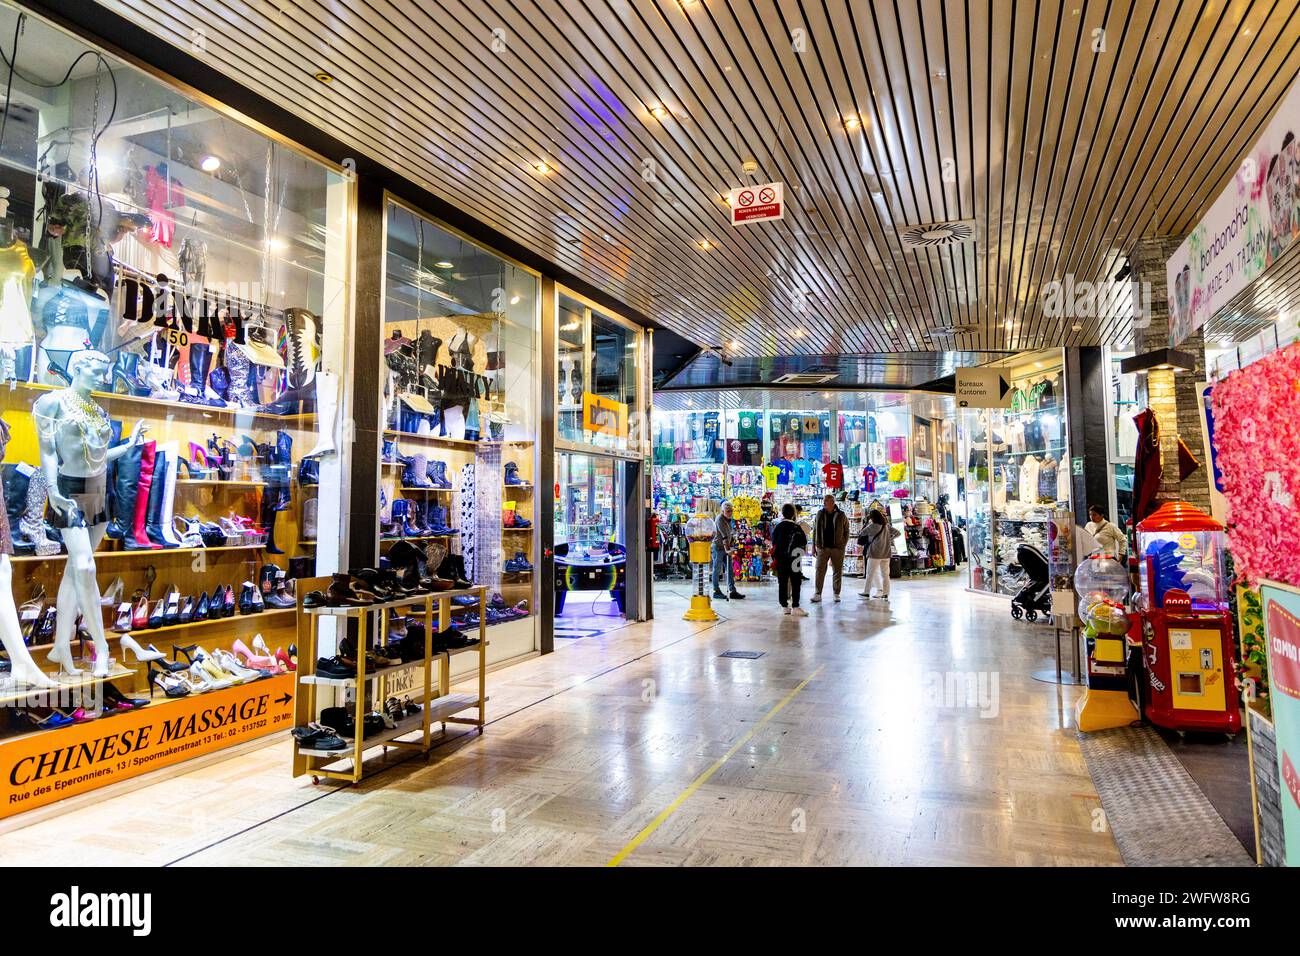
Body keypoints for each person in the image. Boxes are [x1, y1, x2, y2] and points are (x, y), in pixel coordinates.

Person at [810, 493, 849, 603]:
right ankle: (818, 593)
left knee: (837, 570)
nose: (824, 503)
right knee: (819, 570)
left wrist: (843, 543)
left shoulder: (841, 515)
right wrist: (813, 546)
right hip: (822, 547)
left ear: (832, 502)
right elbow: (815, 530)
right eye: (824, 501)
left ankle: (836, 593)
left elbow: (847, 530)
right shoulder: (819, 514)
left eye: (826, 501)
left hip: (838, 548)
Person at [771, 502, 808, 616]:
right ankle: (795, 605)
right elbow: (804, 542)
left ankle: (784, 606)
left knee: (782, 582)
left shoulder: (778, 526)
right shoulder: (797, 527)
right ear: (793, 514)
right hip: (795, 559)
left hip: (781, 558)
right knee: (796, 581)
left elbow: (774, 542)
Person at [858, 509, 899, 602]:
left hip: (875, 554)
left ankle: (866, 592)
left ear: (872, 518)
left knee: (870, 574)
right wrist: (890, 538)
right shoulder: (886, 526)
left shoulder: (872, 526)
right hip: (886, 553)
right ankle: (885, 594)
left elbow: (861, 533)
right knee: (885, 575)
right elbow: (898, 533)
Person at [711, 500, 745, 601]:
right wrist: (727, 549)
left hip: (726, 547)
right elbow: (724, 536)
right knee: (717, 569)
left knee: (730, 569)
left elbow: (730, 533)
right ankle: (715, 590)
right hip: (718, 547)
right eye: (728, 511)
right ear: (723, 511)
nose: (730, 513)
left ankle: (732, 590)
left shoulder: (729, 519)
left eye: (731, 510)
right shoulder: (720, 519)